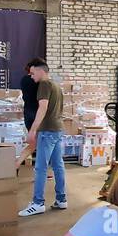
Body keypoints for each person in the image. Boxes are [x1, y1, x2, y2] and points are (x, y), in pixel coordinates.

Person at [19, 58, 67, 216]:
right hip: (58, 129)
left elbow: (43, 107)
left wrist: (33, 130)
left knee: (40, 167)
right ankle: (61, 200)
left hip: (47, 131)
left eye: (33, 73)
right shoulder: (56, 86)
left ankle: (38, 203)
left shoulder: (44, 85)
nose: (31, 77)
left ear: (41, 71)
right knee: (58, 166)